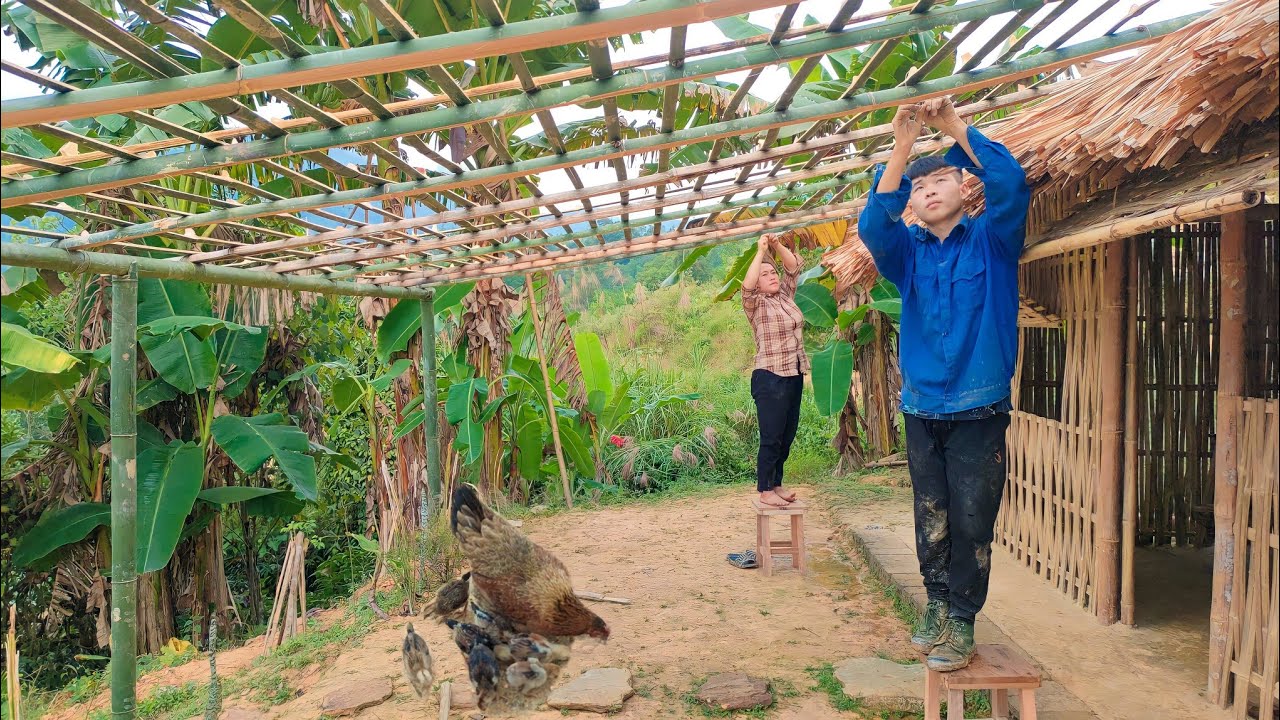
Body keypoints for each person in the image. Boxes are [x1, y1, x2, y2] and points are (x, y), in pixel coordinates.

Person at [857, 96, 1030, 671]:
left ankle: (962, 620)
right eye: (919, 185)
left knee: (973, 517)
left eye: (940, 179)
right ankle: (935, 605)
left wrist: (953, 126)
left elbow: (1009, 180)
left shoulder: (994, 241)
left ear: (962, 186)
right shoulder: (907, 255)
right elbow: (872, 226)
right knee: (930, 511)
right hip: (923, 405)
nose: (928, 190)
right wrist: (903, 145)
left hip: (980, 407)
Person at [741, 232, 807, 509]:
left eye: (773, 272)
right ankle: (765, 488)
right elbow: (745, 286)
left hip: (794, 373)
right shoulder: (755, 304)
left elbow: (793, 267)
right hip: (770, 377)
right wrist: (760, 252)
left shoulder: (784, 296)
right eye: (765, 273)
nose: (771, 276)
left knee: (787, 434)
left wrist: (777, 245)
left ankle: (777, 483)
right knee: (771, 436)